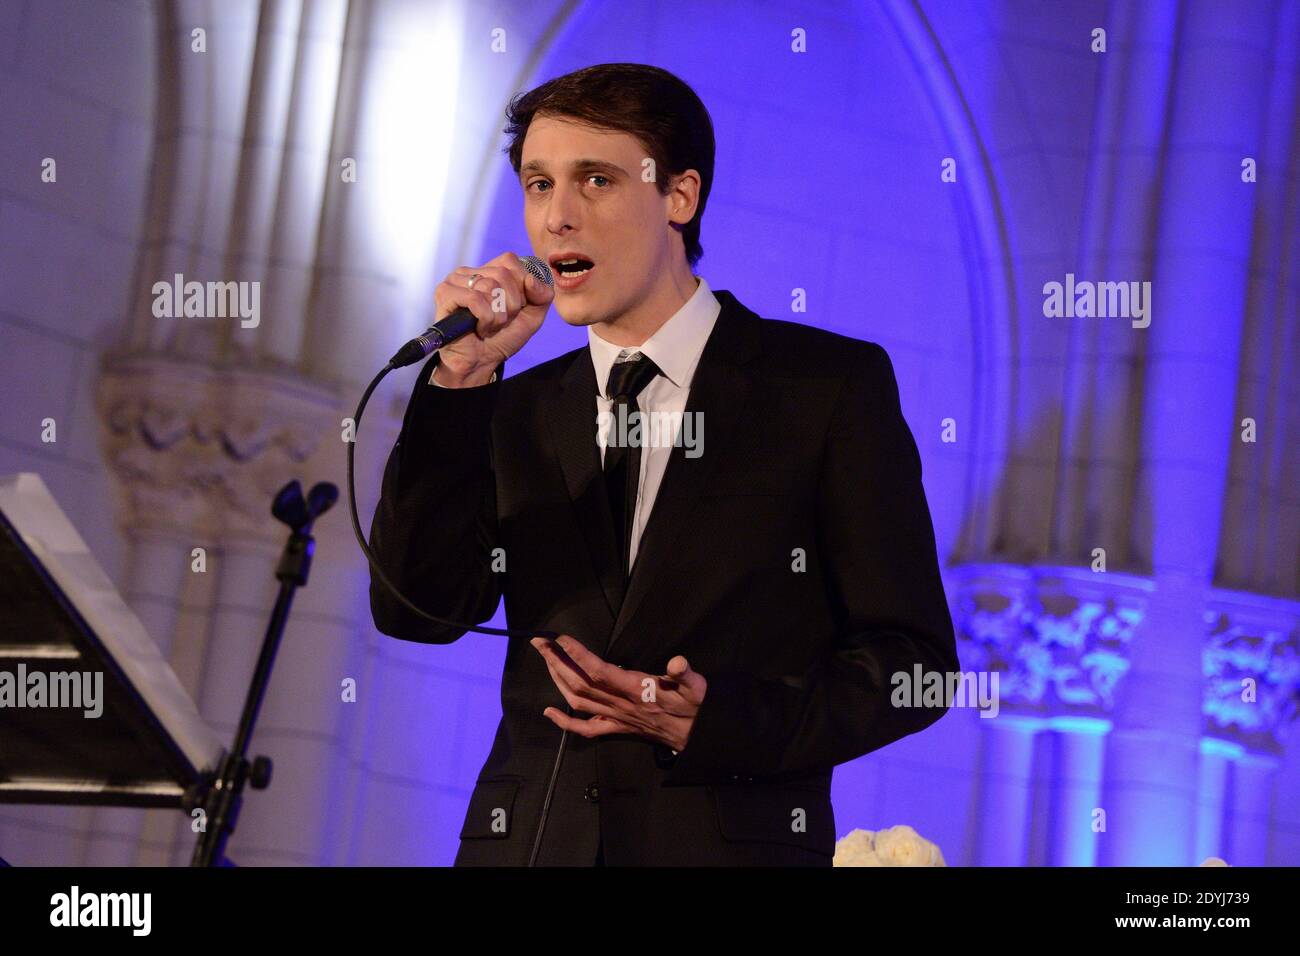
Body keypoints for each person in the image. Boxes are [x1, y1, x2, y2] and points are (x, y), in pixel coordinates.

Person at [368, 63, 958, 866]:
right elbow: (418, 609)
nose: (557, 217)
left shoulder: (825, 388)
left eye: (596, 180)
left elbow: (913, 665)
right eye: (538, 184)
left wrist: (715, 722)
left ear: (679, 196)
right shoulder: (513, 406)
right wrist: (460, 381)